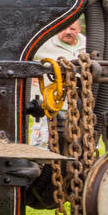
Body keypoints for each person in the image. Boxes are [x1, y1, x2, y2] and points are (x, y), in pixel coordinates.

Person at [29, 19, 85, 147]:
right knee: (43, 139)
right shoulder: (43, 44)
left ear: (79, 30)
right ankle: (42, 163)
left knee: (76, 138)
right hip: (47, 102)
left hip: (77, 102)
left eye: (72, 29)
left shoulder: (87, 44)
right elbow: (25, 60)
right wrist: (31, 74)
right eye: (63, 28)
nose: (67, 32)